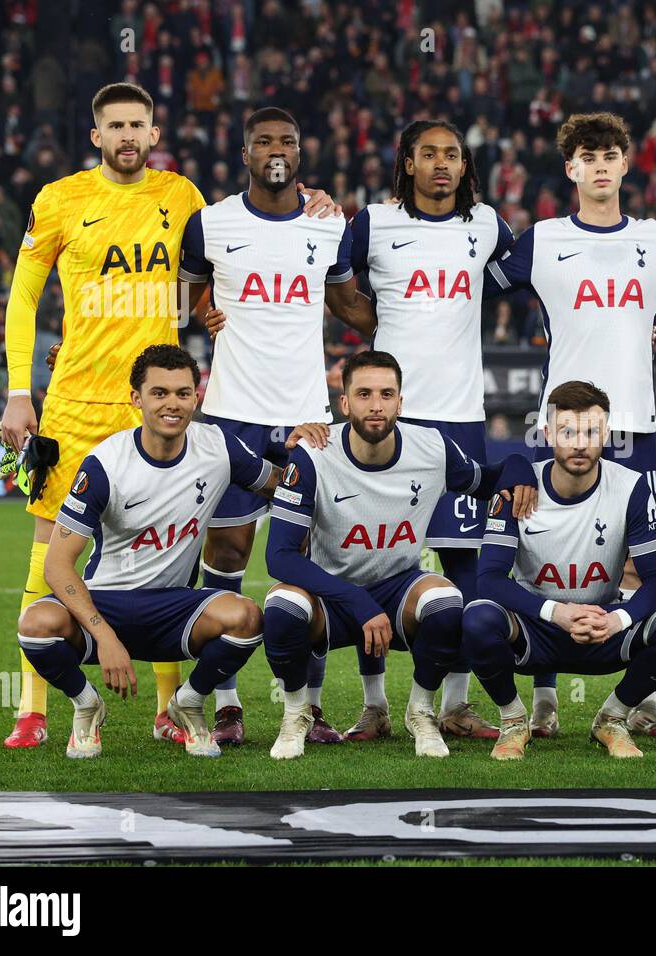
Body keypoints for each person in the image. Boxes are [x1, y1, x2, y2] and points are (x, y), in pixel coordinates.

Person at [0, 82, 337, 749]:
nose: (128, 135)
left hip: (164, 405)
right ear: (96, 136)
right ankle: (32, 711)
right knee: (46, 556)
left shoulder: (182, 197)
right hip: (73, 402)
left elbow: (237, 248)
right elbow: (22, 295)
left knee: (172, 557)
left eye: (139, 125)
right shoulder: (60, 199)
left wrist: (313, 205)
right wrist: (17, 390)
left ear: (154, 134)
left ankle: (168, 710)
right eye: (115, 126)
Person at [486, 111, 656, 739]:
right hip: (558, 426)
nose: (601, 164)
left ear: (626, 163)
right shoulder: (541, 239)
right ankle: (547, 696)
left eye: (611, 153)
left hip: (634, 426)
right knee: (547, 550)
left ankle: (639, 702)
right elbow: (471, 285)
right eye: (589, 155)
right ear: (571, 169)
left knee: (633, 564)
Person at [180, 106, 370, 746]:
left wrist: (423, 324)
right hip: (232, 414)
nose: (276, 150)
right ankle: (227, 702)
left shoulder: (329, 222)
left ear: (300, 151)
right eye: (263, 140)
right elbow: (182, 299)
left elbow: (348, 305)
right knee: (227, 553)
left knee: (310, 562)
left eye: (287, 140)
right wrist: (200, 313)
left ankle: (307, 706)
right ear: (245, 152)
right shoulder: (210, 222)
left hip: (309, 419)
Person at [15, 345, 309, 758]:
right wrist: (105, 638)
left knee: (246, 617)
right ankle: (86, 705)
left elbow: (279, 483)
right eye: (159, 393)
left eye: (183, 393)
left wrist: (307, 455)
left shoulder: (218, 446)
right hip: (108, 603)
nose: (173, 404)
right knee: (34, 623)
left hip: (175, 610)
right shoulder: (105, 463)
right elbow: (58, 566)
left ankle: (187, 702)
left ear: (196, 396)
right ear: (137, 399)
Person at [260, 350, 536, 759]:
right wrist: (355, 599)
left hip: (397, 592)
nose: (376, 405)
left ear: (400, 402)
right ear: (344, 403)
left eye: (387, 394)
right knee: (282, 604)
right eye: (364, 394)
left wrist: (519, 466)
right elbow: (279, 557)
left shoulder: (432, 447)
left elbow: (488, 478)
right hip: (333, 595)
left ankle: (420, 710)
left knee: (447, 600)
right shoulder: (313, 454)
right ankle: (297, 712)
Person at [344, 119, 515, 743]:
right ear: (406, 163)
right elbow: (335, 285)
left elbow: (530, 272)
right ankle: (375, 705)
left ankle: (455, 703)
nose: (441, 164)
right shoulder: (372, 222)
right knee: (370, 556)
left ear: (464, 165)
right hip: (388, 417)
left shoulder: (488, 225)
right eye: (428, 154)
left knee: (465, 565)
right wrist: (379, 319)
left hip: (461, 419)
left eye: (452, 155)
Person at [462, 380, 656, 760]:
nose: (580, 443)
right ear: (549, 433)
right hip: (536, 631)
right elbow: (488, 579)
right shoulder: (519, 489)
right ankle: (513, 720)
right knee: (477, 618)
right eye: (568, 432)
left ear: (607, 433)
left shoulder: (631, 487)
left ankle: (613, 718)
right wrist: (558, 612)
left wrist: (617, 620)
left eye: (591, 431)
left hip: (602, 628)